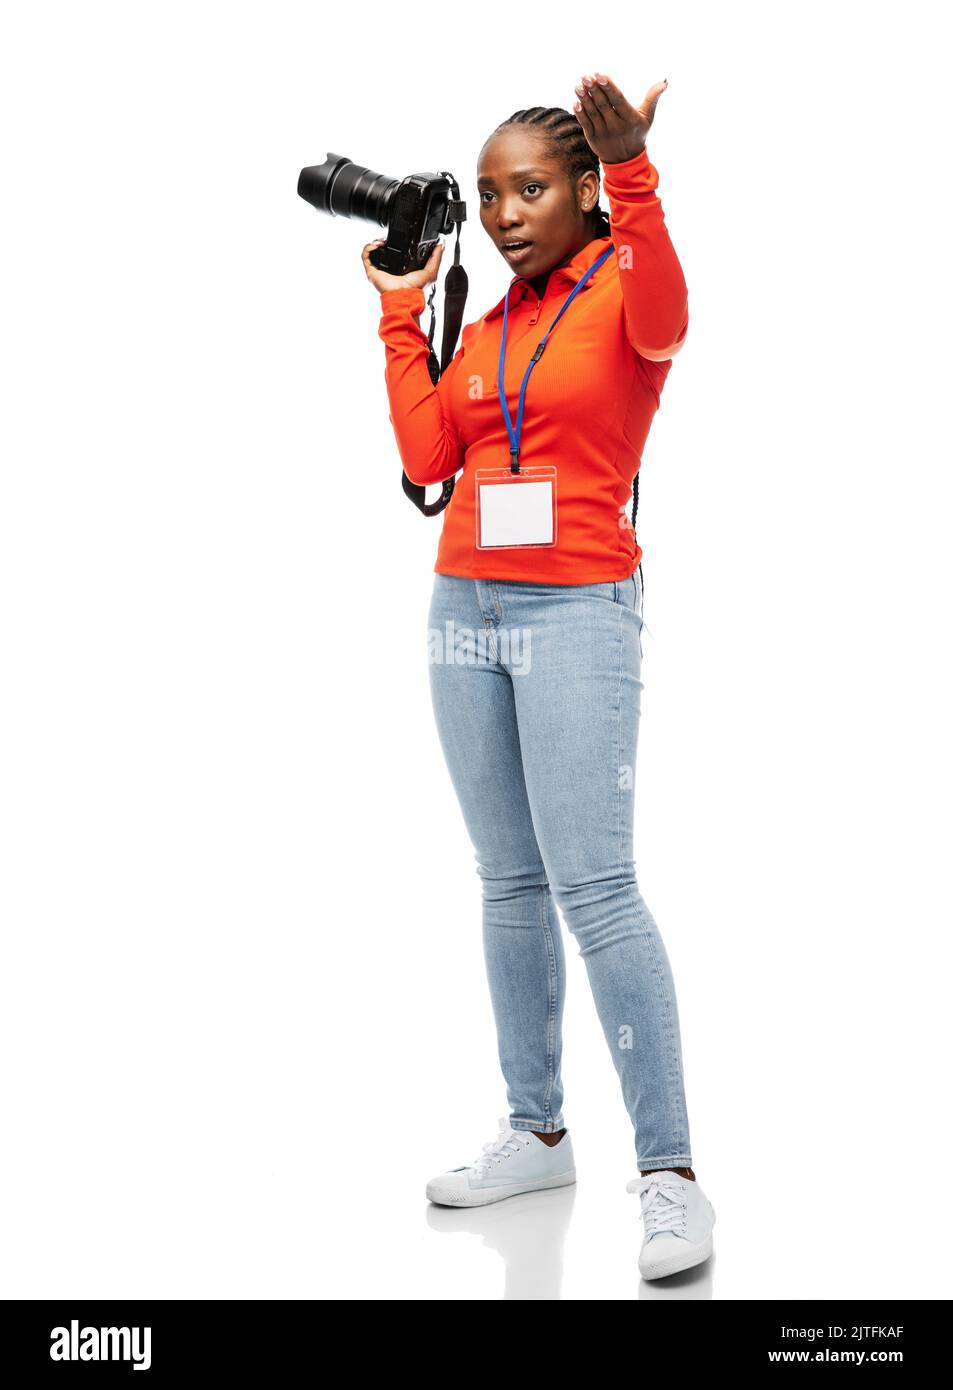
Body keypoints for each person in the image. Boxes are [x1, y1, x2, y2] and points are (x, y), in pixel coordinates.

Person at [363, 72, 715, 1280]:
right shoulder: (494, 323)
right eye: (487, 194)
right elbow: (426, 450)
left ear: (578, 189)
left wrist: (637, 175)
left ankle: (668, 1175)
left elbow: (669, 323)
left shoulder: (622, 285)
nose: (504, 213)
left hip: (574, 609)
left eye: (528, 188)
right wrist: (404, 313)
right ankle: (536, 1128)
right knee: (506, 880)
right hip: (462, 604)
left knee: (596, 887)